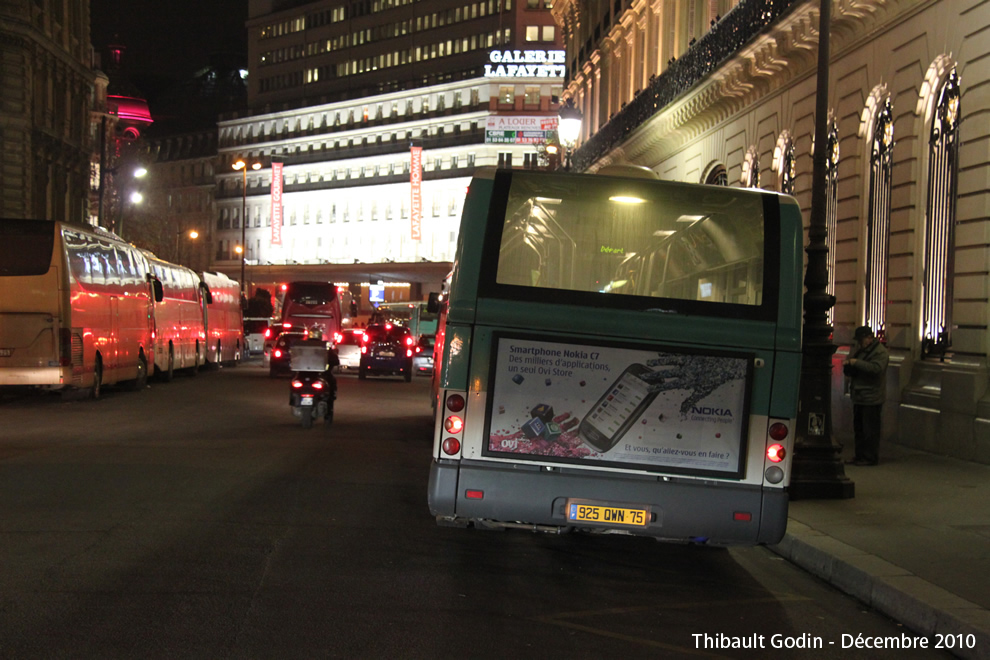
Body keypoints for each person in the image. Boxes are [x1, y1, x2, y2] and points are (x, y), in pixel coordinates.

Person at [843, 325, 889, 466]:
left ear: (869, 338)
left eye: (861, 340)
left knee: (870, 430)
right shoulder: (861, 350)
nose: (859, 343)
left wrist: (856, 363)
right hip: (860, 395)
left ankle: (869, 457)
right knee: (859, 429)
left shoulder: (880, 352)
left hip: (871, 397)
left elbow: (876, 369)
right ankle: (860, 455)